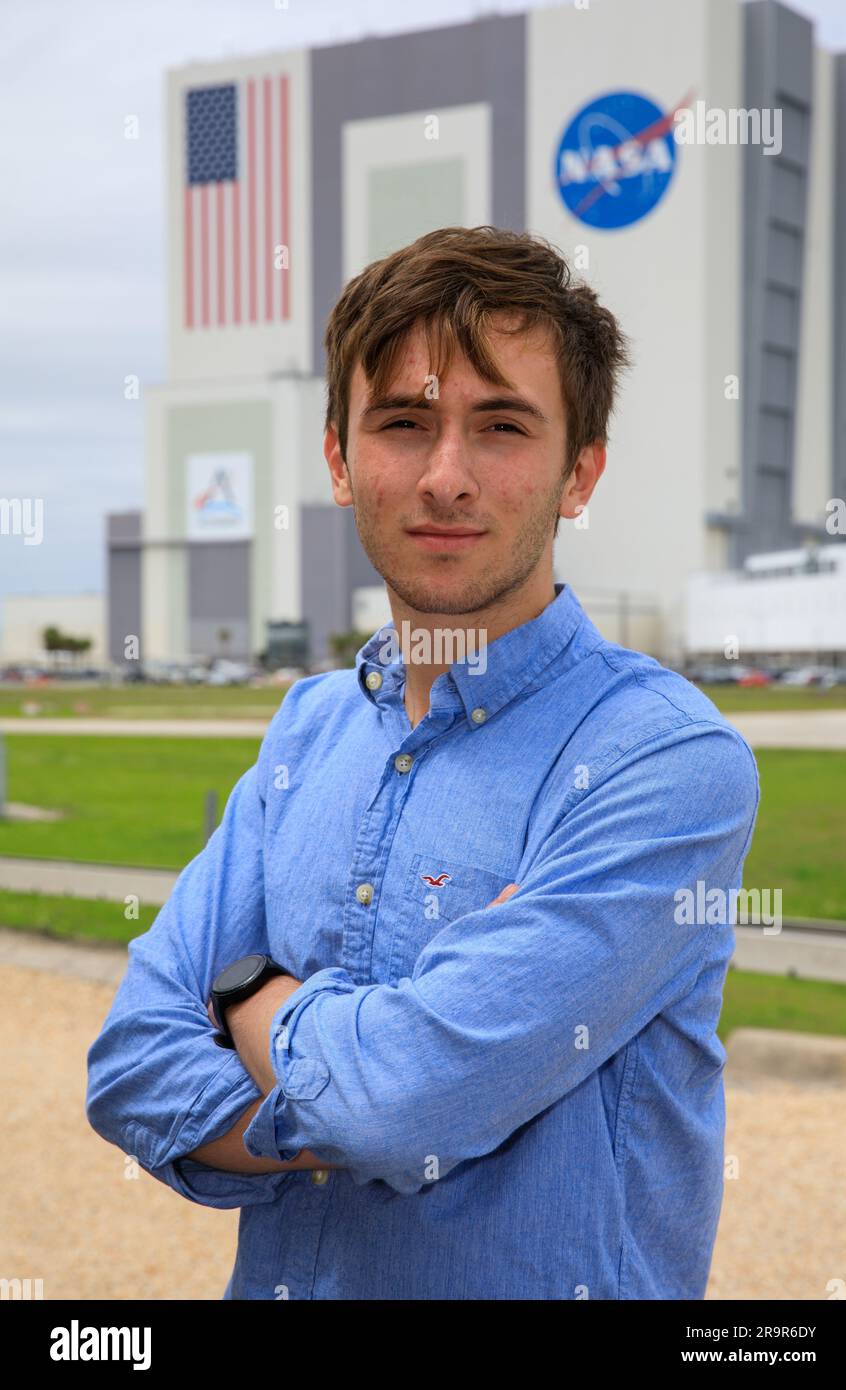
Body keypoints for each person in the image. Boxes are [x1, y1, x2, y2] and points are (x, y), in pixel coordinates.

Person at [86, 225, 760, 1300]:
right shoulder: (304, 733)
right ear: (340, 461)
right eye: (404, 422)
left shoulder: (664, 762)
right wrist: (375, 1093)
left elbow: (401, 1105)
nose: (446, 476)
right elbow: (128, 1063)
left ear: (578, 471)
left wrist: (251, 996)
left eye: (500, 426)